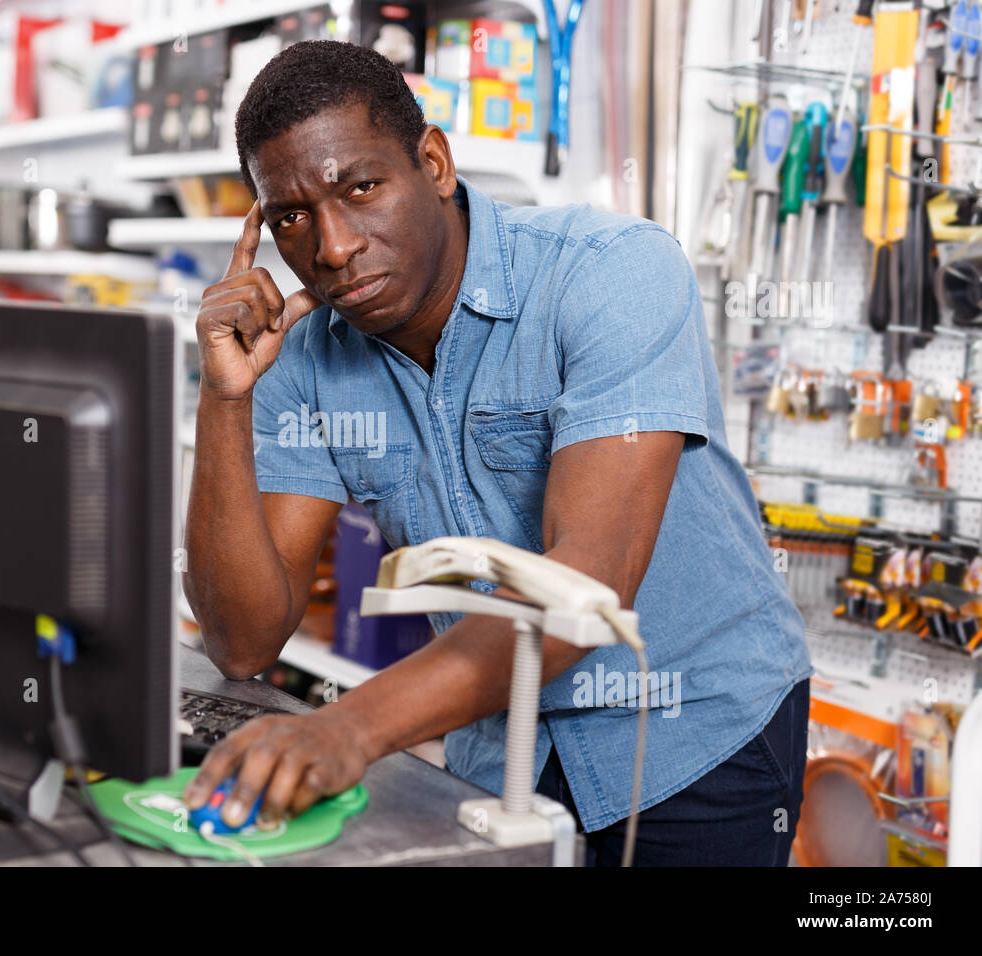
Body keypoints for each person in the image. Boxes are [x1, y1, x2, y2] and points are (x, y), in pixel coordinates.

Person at [180, 39, 812, 866]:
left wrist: (350, 726)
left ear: (433, 162)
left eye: (360, 187)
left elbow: (587, 582)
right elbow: (243, 642)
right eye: (292, 217)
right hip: (502, 751)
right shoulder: (304, 357)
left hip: (696, 734)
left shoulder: (611, 273)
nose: (333, 247)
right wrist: (224, 398)